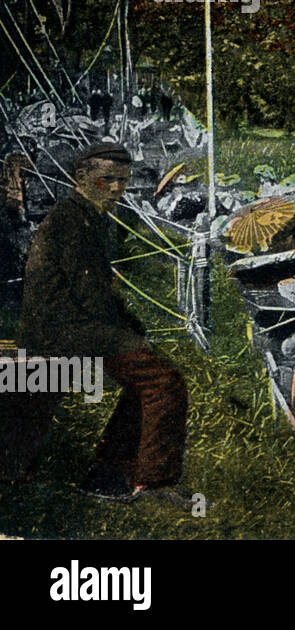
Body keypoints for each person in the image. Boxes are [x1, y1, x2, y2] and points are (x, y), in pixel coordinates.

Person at [17, 142, 189, 505]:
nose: (115, 189)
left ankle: (111, 472)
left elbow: (99, 295)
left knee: (148, 377)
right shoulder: (69, 220)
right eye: (105, 180)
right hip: (60, 329)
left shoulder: (90, 218)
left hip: (76, 323)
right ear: (81, 179)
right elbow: (89, 296)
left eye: (122, 182)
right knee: (164, 381)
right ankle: (153, 483)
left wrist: (131, 329)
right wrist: (124, 337)